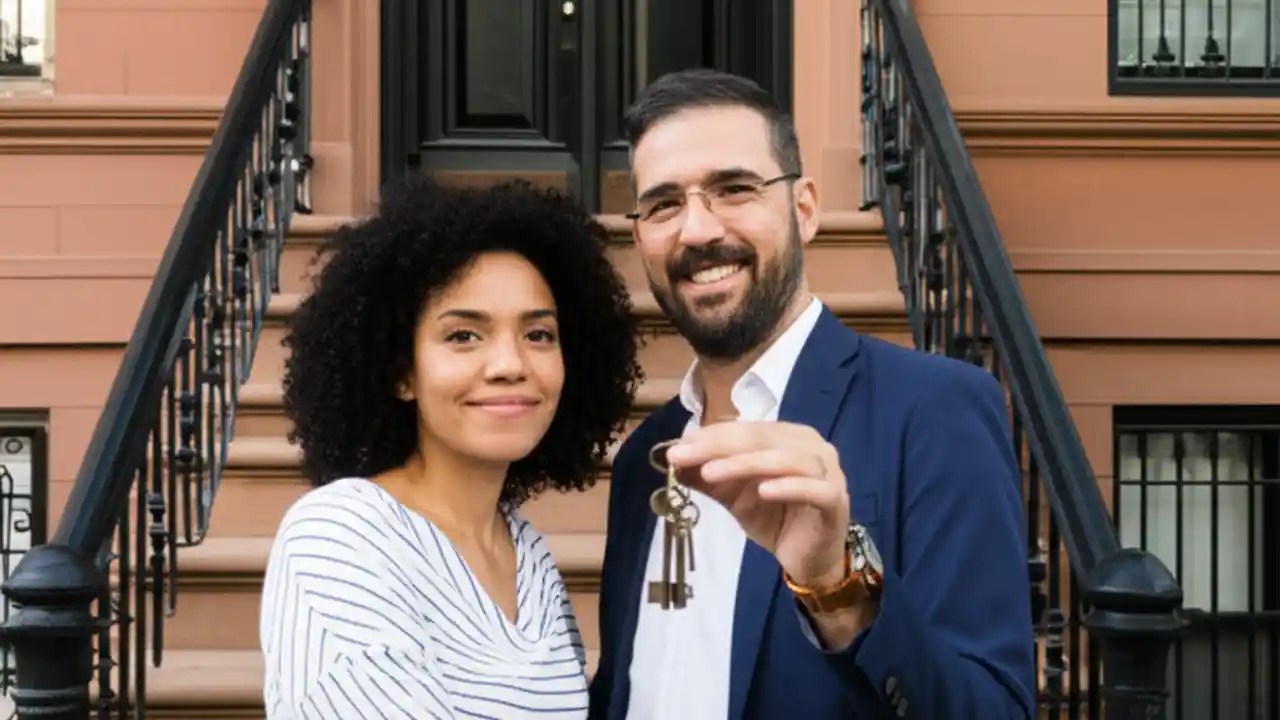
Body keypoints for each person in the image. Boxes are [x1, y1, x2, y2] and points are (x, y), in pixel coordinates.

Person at [588, 69, 1035, 719]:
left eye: (734, 189)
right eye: (663, 205)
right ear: (641, 239)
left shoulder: (934, 412)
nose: (697, 230)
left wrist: (840, 588)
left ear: (804, 210)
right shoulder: (643, 460)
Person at [259, 175, 642, 719]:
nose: (510, 365)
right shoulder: (342, 535)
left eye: (538, 335)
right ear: (401, 372)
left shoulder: (529, 557)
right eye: (463, 335)